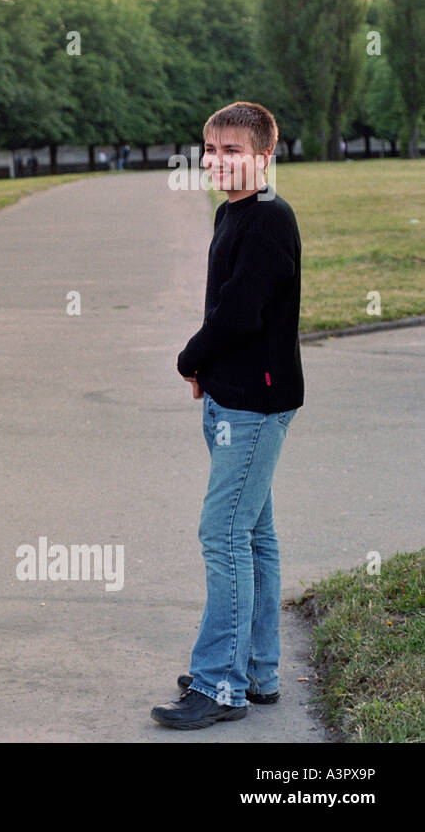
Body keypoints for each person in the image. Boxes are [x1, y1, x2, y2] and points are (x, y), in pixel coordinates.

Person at [152, 101, 303, 729]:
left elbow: (239, 313)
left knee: (223, 536)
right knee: (253, 535)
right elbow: (230, 311)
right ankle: (257, 670)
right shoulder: (232, 213)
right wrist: (207, 373)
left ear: (265, 156)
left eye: (233, 151)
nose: (217, 161)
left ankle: (219, 685)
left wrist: (190, 359)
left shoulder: (269, 220)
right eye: (211, 150)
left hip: (254, 406)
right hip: (230, 396)